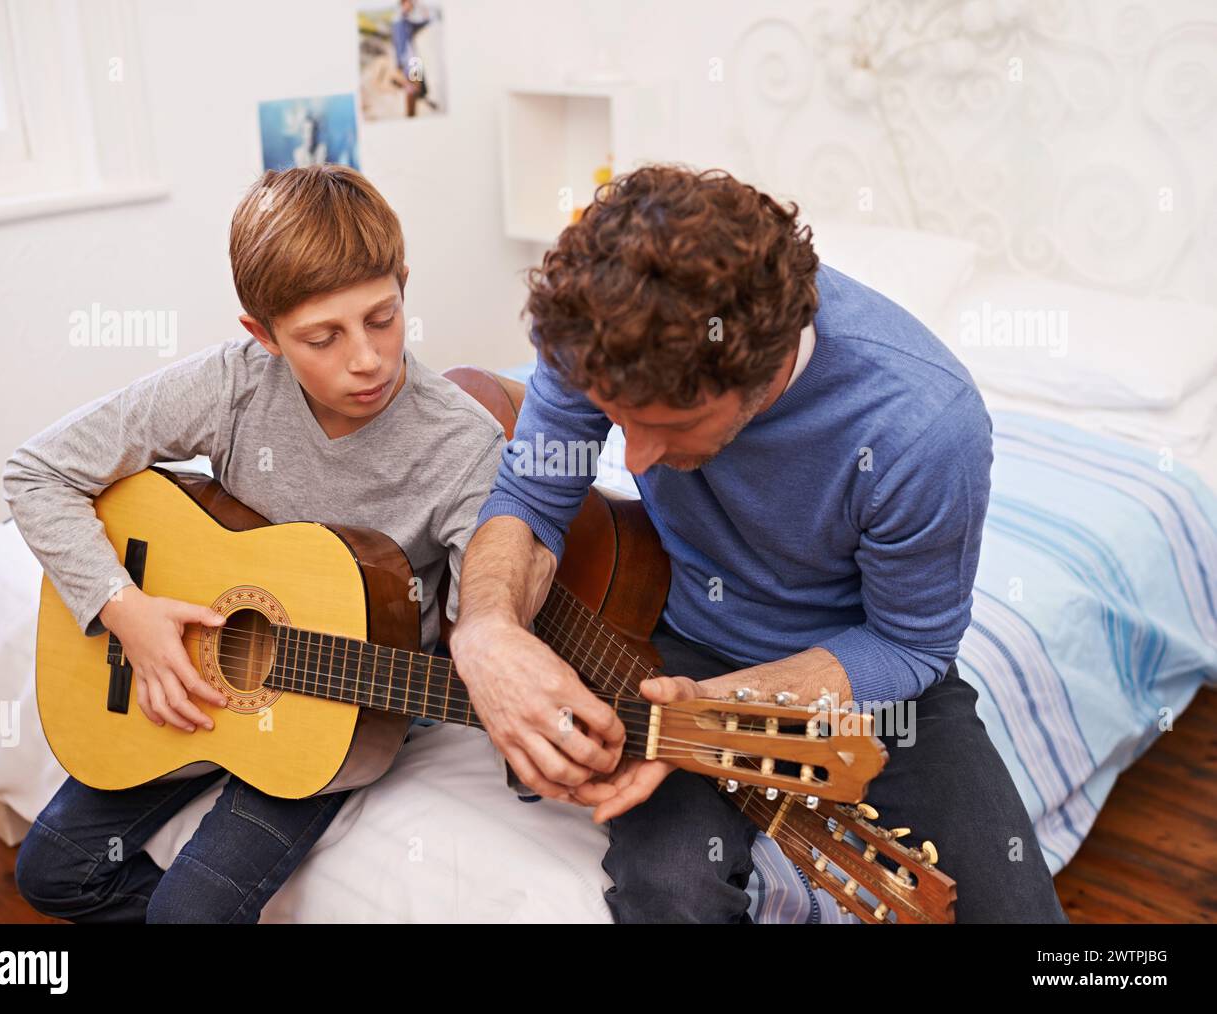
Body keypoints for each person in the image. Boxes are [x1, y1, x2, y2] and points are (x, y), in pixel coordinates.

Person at [448, 163, 1068, 924]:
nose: (631, 459)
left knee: (1014, 913)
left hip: (858, 672)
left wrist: (706, 714)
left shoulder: (924, 426)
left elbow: (909, 646)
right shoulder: (600, 331)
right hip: (679, 647)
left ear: (766, 371)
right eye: (618, 418)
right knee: (669, 892)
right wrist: (483, 629)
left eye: (668, 428)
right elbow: (532, 498)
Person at [4, 163, 504, 922]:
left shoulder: (465, 444)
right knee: (51, 873)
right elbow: (36, 471)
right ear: (262, 335)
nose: (366, 358)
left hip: (341, 713)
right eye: (321, 338)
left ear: (404, 283)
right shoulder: (233, 385)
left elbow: (486, 634)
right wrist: (127, 614)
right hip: (191, 680)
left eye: (382, 317)